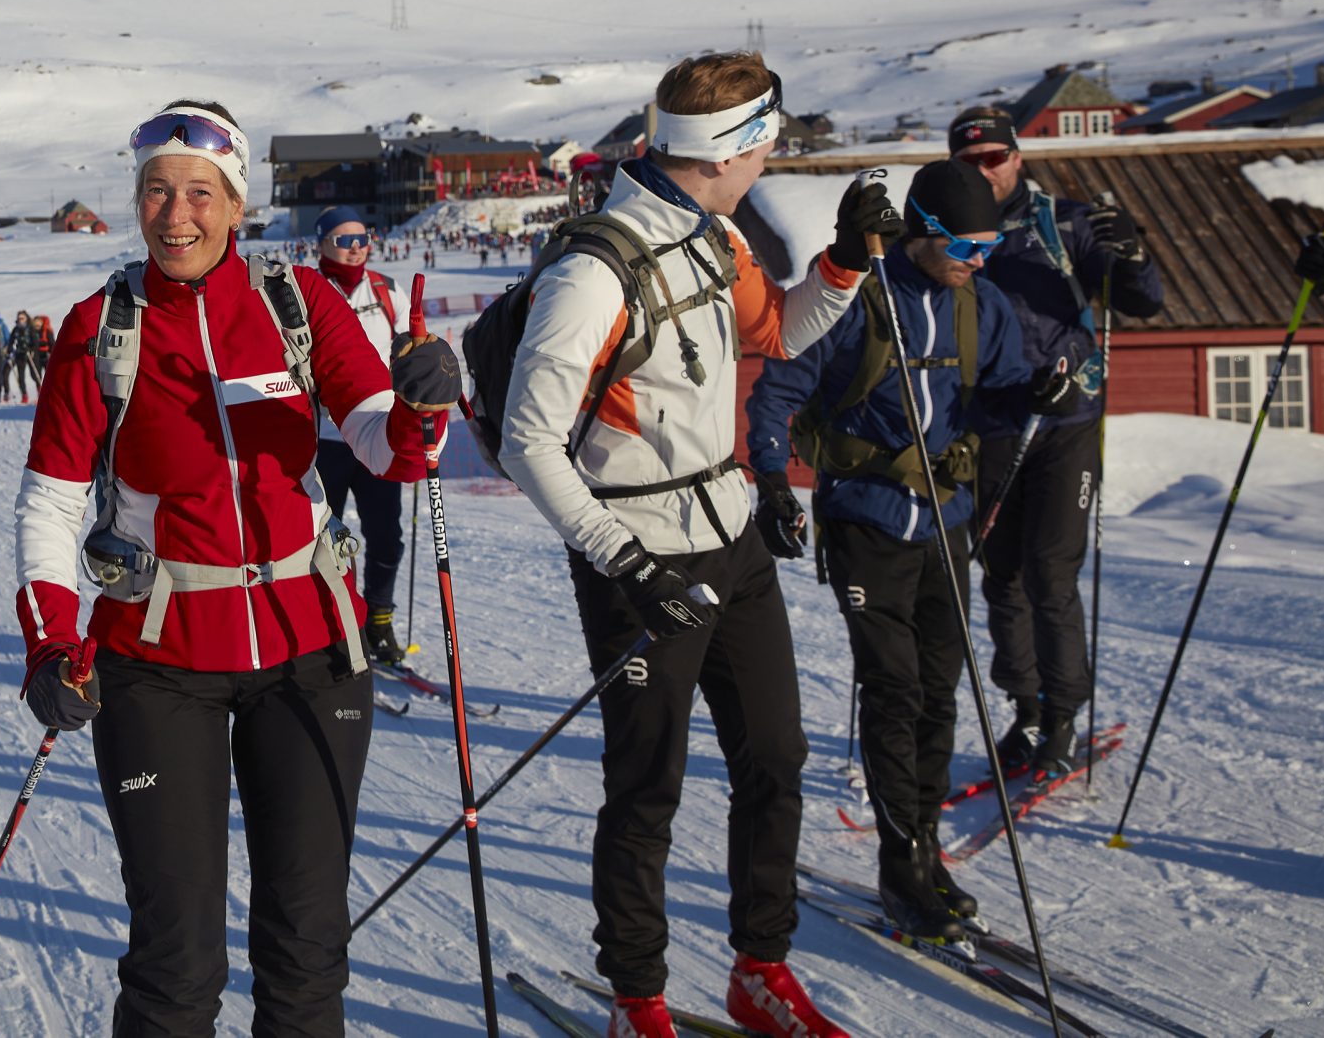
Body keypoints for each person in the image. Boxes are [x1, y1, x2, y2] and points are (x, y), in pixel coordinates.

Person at [15, 99, 457, 1034]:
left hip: (308, 653)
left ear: (237, 201)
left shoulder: (298, 302)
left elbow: (385, 445)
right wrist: (51, 644)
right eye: (157, 192)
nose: (177, 214)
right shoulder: (100, 327)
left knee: (305, 952)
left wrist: (419, 409)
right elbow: (51, 503)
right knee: (176, 964)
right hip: (157, 661)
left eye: (200, 193)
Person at [496, 52, 887, 1038]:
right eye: (768, 140)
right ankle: (636, 997)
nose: (775, 156)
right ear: (735, 149)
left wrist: (842, 262)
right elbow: (525, 441)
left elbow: (779, 335)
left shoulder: (716, 237)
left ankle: (759, 969)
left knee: (774, 756)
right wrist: (620, 558)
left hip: (730, 536)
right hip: (635, 557)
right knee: (647, 784)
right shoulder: (593, 269)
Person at [747, 158, 1079, 943]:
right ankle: (901, 869)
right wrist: (770, 482)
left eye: (988, 246)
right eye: (966, 246)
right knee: (894, 691)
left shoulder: (980, 306)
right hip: (867, 519)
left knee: (939, 691)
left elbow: (996, 400)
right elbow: (779, 391)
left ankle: (927, 850)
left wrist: (1035, 396)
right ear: (924, 234)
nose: (978, 260)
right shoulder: (861, 300)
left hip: (946, 519)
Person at [946, 107, 1165, 773]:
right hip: (990, 422)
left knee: (1050, 572)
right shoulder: (948, 232)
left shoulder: (1065, 223)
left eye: (996, 158)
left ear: (1017, 158)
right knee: (1002, 576)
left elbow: (1140, 301)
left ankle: (1064, 717)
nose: (987, 171)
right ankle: (1027, 710)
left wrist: (1132, 254)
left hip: (1065, 422)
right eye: (971, 162)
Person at [308, 206, 415, 668]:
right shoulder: (301, 293)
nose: (356, 246)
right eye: (343, 239)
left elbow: (412, 353)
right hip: (325, 442)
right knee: (321, 540)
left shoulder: (387, 291)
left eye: (362, 237)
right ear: (321, 245)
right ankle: (330, 623)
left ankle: (379, 622)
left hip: (379, 435)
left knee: (386, 536)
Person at [7, 311, 39, 401]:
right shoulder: (15, 329)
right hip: (20, 353)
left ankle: (40, 391)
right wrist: (10, 350)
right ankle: (24, 394)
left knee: (34, 374)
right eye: (19, 318)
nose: (20, 320)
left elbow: (35, 341)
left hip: (29, 353)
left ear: (26, 319)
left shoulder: (30, 328)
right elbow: (11, 341)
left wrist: (32, 350)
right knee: (21, 376)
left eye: (22, 318)